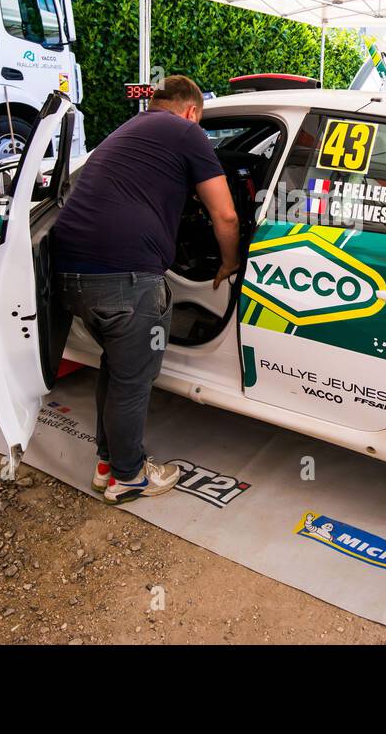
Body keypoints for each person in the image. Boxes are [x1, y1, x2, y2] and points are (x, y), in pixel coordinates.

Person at [50, 75, 238, 504]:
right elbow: (225, 215)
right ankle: (129, 477)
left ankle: (107, 465)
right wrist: (228, 262)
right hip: (125, 280)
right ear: (192, 111)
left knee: (116, 369)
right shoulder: (187, 131)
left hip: (70, 277)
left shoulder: (127, 128)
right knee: (133, 381)